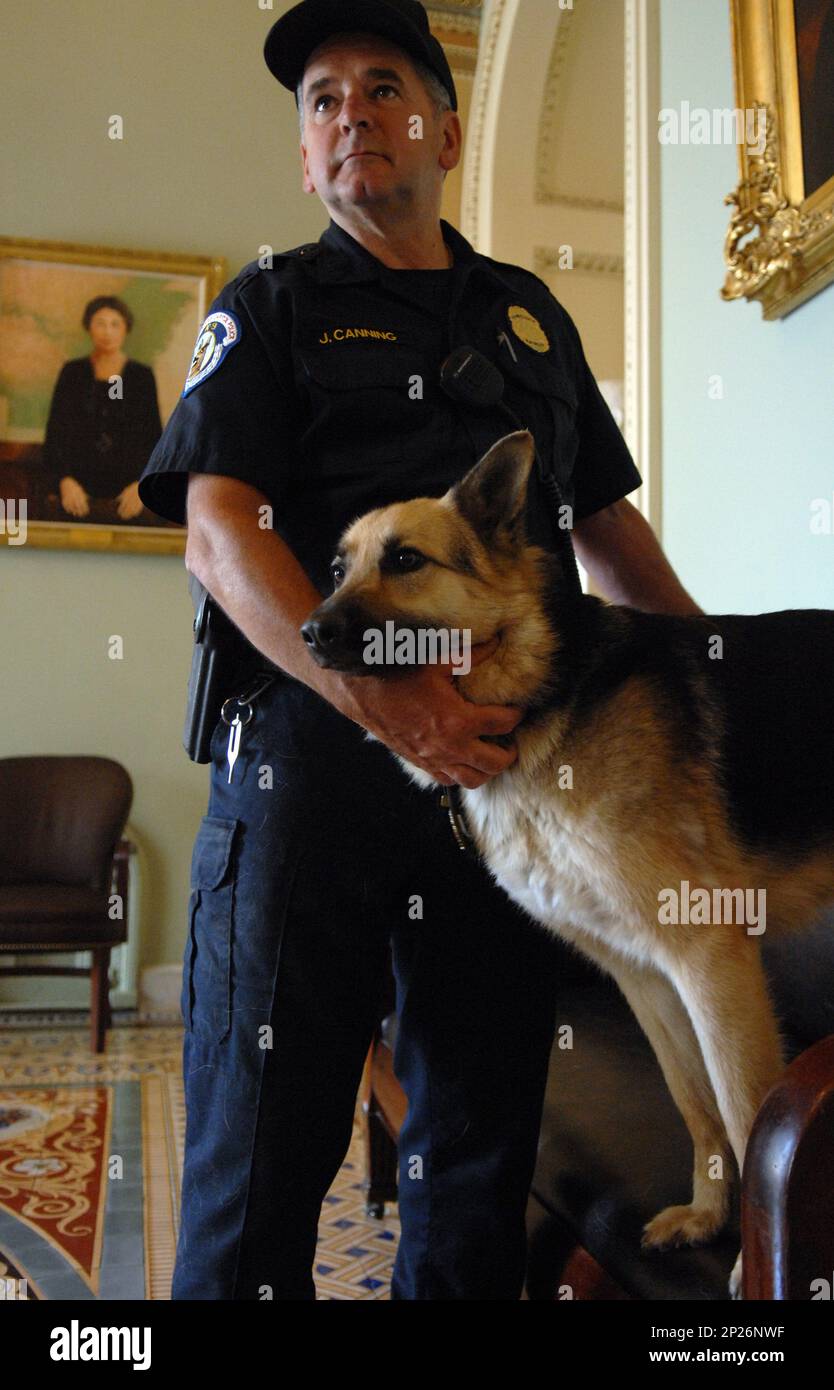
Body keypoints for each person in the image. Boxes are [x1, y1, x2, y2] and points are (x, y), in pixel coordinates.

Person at [137, 0, 702, 1300]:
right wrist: (388, 706)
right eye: (321, 101)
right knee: (261, 1161)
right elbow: (219, 534)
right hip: (311, 775)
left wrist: (717, 676)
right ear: (304, 155)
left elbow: (608, 531)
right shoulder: (269, 305)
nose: (350, 115)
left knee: (475, 1157)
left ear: (443, 129)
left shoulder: (529, 320)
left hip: (507, 787)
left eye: (380, 88)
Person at [42, 295, 161, 523]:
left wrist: (140, 485)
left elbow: (153, 437)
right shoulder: (72, 373)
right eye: (100, 323)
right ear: (89, 327)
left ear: (126, 328)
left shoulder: (140, 377)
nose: (108, 332)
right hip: (76, 488)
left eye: (115, 324)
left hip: (128, 490)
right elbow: (56, 432)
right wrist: (65, 481)